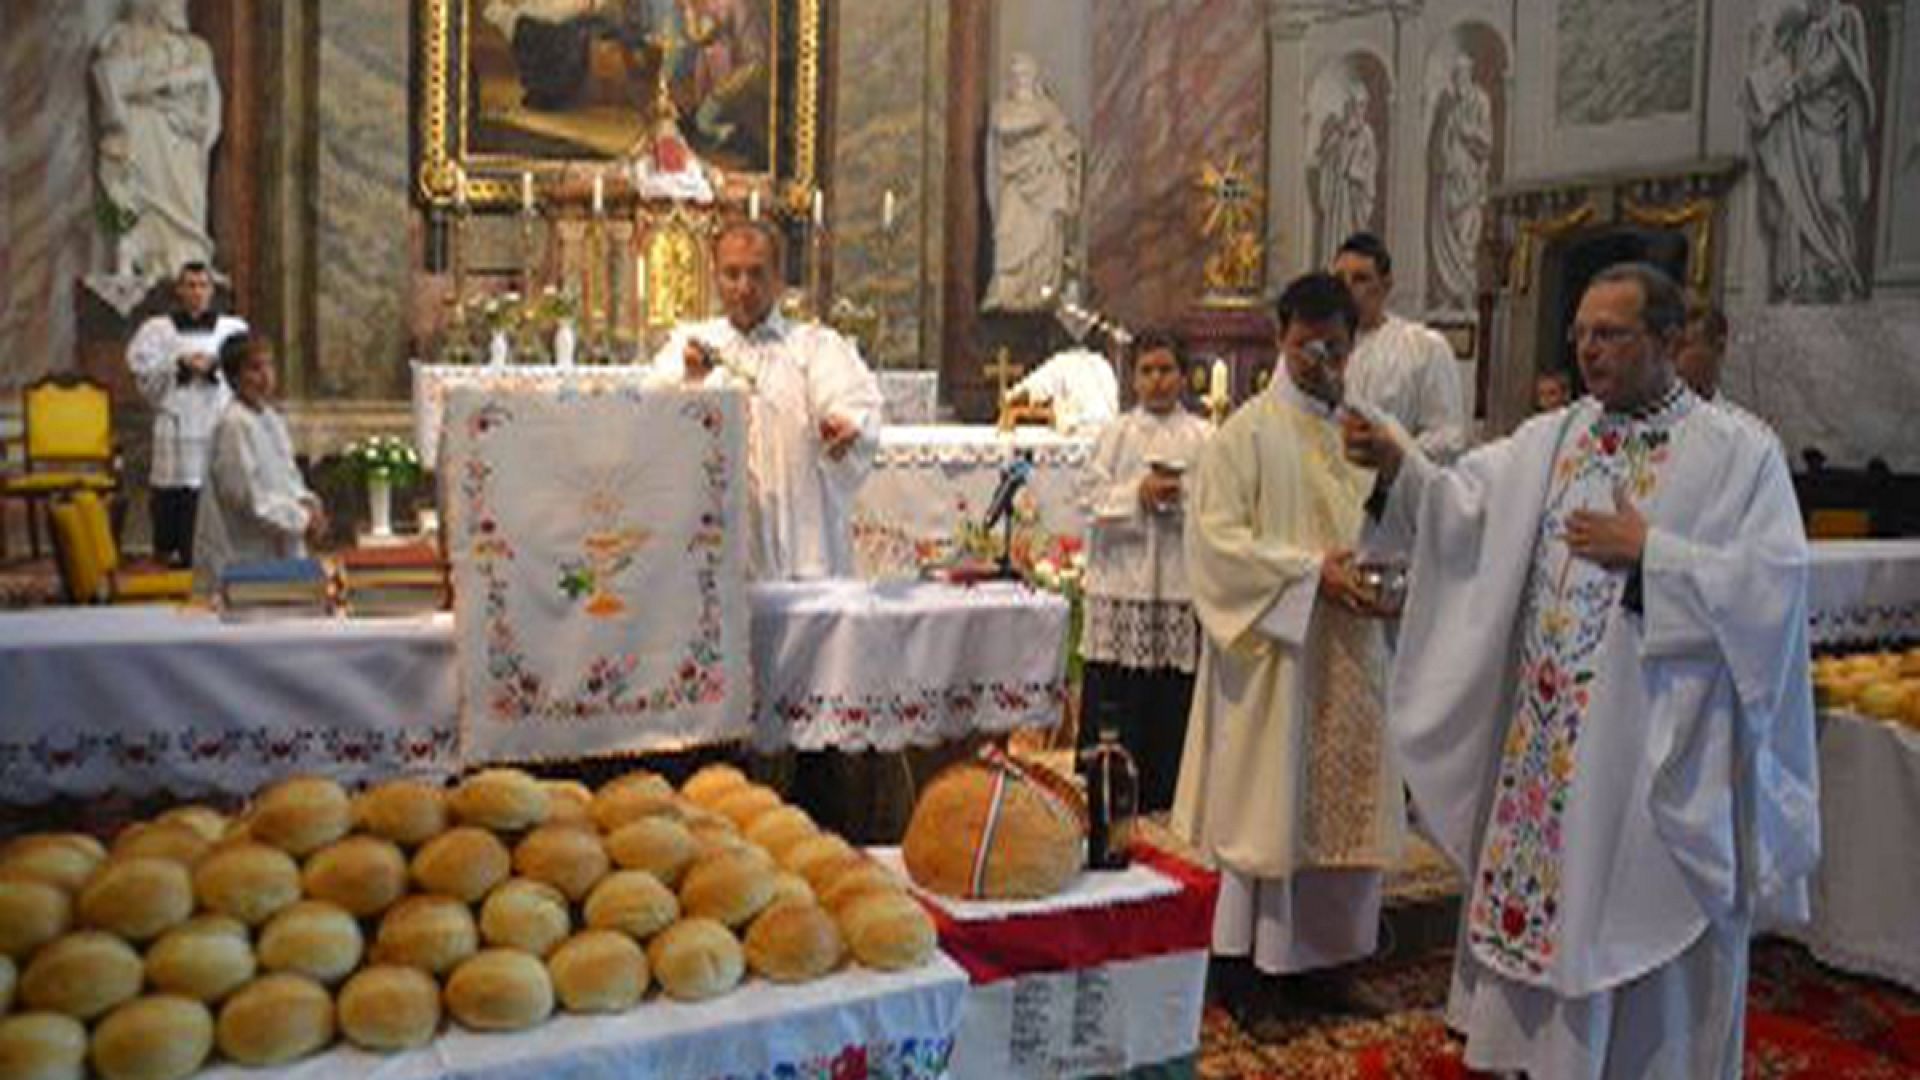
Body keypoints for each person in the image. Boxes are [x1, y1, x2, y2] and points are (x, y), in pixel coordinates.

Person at [1343, 262, 1819, 1077]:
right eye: (1582, 334)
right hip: (1548, 754)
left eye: (1611, 334)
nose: (1590, 351)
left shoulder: (1740, 454)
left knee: (1639, 939)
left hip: (1648, 755)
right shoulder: (1555, 435)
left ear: (1668, 340)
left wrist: (1654, 558)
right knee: (1556, 916)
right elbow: (1465, 509)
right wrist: (1400, 465)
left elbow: (1772, 592)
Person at [1171, 273, 1403, 1012]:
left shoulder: (1366, 432)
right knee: (1266, 811)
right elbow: (1215, 546)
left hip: (1351, 649)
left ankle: (1331, 967)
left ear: (1353, 342)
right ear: (1281, 338)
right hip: (1274, 655)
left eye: (1334, 346)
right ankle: (1253, 976)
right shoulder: (1244, 434)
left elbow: (1397, 521)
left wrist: (1385, 524)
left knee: (1344, 812)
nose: (1320, 361)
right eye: (1306, 347)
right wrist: (1311, 575)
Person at [648, 220, 883, 580]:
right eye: (732, 274)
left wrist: (845, 426)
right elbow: (649, 418)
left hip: (799, 538)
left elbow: (847, 400)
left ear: (778, 279)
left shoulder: (813, 346)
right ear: (715, 277)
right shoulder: (690, 347)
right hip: (716, 538)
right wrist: (689, 380)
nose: (744, 287)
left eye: (757, 274)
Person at [1078, 332, 1212, 811]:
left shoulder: (1204, 436)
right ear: (1132, 378)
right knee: (1119, 697)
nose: (1157, 381)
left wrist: (1180, 497)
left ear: (1183, 375)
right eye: (1147, 371)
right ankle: (1109, 800)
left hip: (1179, 583)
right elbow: (1088, 498)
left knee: (1172, 700)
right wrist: (1137, 493)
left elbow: (1218, 506)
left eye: (1166, 370)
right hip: (1123, 583)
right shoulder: (1116, 434)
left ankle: (1170, 798)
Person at [1746, 0, 1875, 302]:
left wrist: (1798, 84)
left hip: (1832, 125)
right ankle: (1801, 281)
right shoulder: (1800, 24)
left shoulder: (1846, 18)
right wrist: (1768, 95)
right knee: (1793, 203)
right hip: (1796, 127)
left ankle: (1841, 273)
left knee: (1833, 196)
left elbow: (1840, 61)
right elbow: (1779, 63)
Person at [125, 261, 248, 566]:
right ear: (179, 290)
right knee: (175, 489)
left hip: (217, 420)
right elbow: (142, 367)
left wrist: (214, 365)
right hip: (176, 422)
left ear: (211, 290)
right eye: (190, 285)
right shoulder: (158, 329)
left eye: (202, 285)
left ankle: (215, 554)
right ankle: (173, 553)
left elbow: (244, 367)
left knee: (213, 488)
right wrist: (180, 364)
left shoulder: (232, 329)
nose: (196, 291)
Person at [92, 0, 221, 279]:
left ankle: (187, 256)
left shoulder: (196, 49)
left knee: (185, 201)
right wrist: (157, 86)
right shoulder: (124, 38)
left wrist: (192, 118)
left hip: (182, 142)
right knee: (137, 194)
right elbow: (111, 82)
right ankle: (140, 254)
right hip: (143, 134)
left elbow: (210, 105)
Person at [192, 335, 328, 595]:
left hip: (280, 548)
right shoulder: (234, 425)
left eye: (270, 366)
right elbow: (249, 500)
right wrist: (302, 519)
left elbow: (289, 476)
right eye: (255, 368)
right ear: (233, 378)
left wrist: (309, 503)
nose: (266, 376)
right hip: (244, 556)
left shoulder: (270, 418)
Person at [1332, 233, 1469, 462]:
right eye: (1339, 279)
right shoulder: (1320, 351)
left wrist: (1391, 449)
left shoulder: (1423, 347)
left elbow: (1449, 437)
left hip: (1397, 489)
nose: (1347, 290)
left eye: (1360, 279)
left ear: (1386, 285)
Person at [982, 53, 1081, 313]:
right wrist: (1039, 122)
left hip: (1044, 185)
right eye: (1016, 74)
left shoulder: (1048, 108)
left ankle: (1037, 290)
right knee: (1008, 234)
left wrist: (1063, 153)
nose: (1020, 79)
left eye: (1025, 73)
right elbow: (1004, 126)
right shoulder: (1003, 108)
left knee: (1044, 241)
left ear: (1034, 77)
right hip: (1015, 187)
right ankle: (1008, 288)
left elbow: (1068, 144)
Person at [1428, 56, 1493, 313]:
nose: (1456, 80)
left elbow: (1487, 143)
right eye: (1454, 76)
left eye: (1460, 74)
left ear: (1469, 74)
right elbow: (1439, 142)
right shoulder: (1449, 107)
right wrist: (1442, 156)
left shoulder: (1480, 101)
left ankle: (1466, 296)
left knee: (1466, 241)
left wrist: (1467, 131)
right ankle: (1446, 295)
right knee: (1444, 238)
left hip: (1469, 183)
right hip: (1448, 181)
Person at [1313, 90, 1377, 268]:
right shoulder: (1338, 133)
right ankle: (1334, 263)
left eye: (1362, 106)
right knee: (1336, 231)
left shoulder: (1367, 134)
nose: (1358, 110)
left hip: (1355, 193)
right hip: (1338, 194)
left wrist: (1356, 171)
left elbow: (1371, 164)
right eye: (1355, 105)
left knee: (1354, 231)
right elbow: (1326, 158)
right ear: (1348, 107)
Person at [1005, 342, 1120, 435]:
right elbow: (1035, 388)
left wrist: (1014, 399)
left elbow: (1036, 387)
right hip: (1105, 435)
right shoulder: (1102, 363)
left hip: (1088, 432)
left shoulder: (1066, 362)